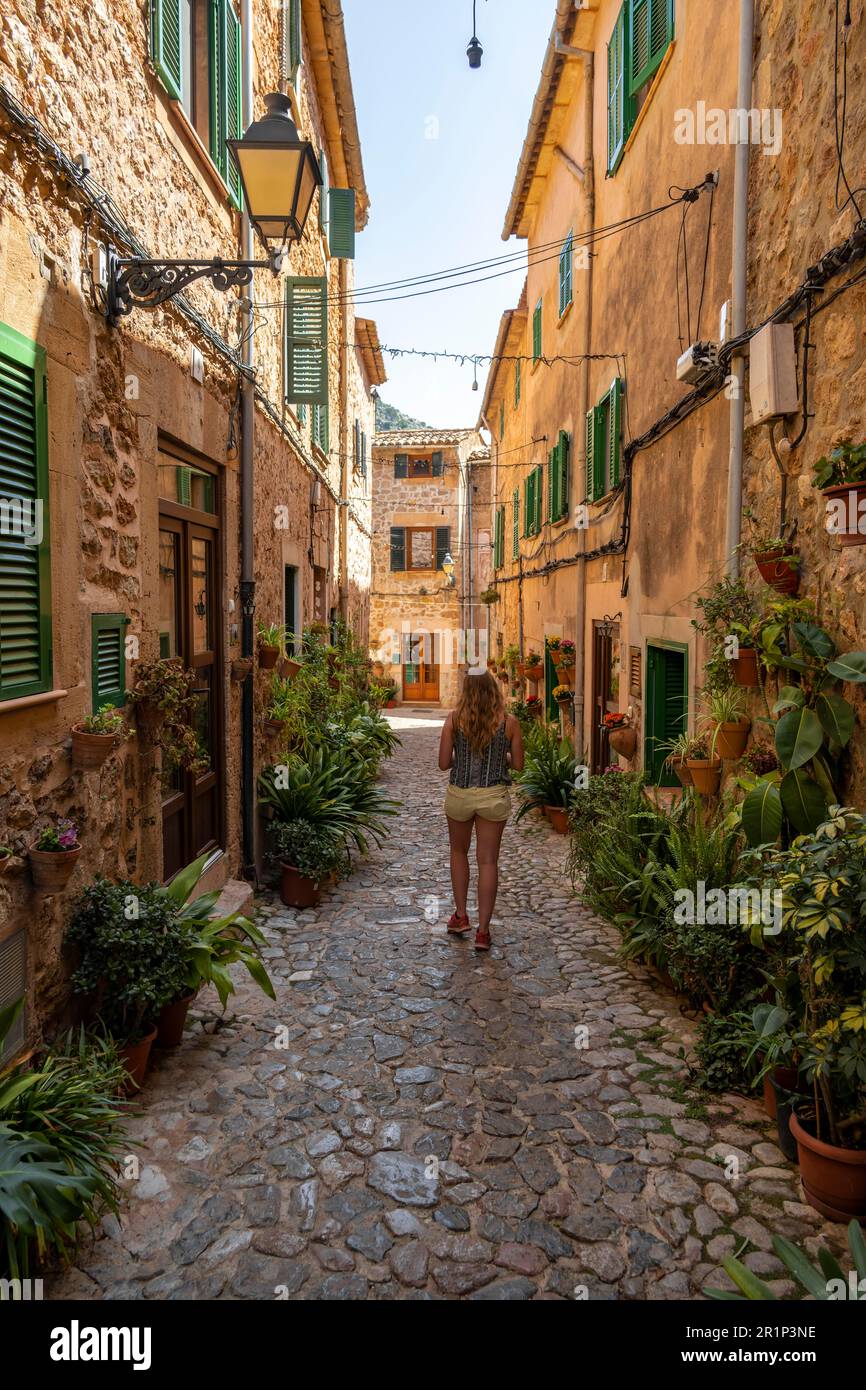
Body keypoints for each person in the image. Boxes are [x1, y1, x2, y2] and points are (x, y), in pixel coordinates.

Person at [438, 671, 524, 952]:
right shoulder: (509, 723)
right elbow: (519, 764)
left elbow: (442, 763)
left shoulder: (453, 719)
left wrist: (461, 758)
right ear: (493, 691)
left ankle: (461, 916)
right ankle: (483, 932)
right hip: (493, 796)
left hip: (460, 794)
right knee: (488, 862)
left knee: (458, 852)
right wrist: (501, 757)